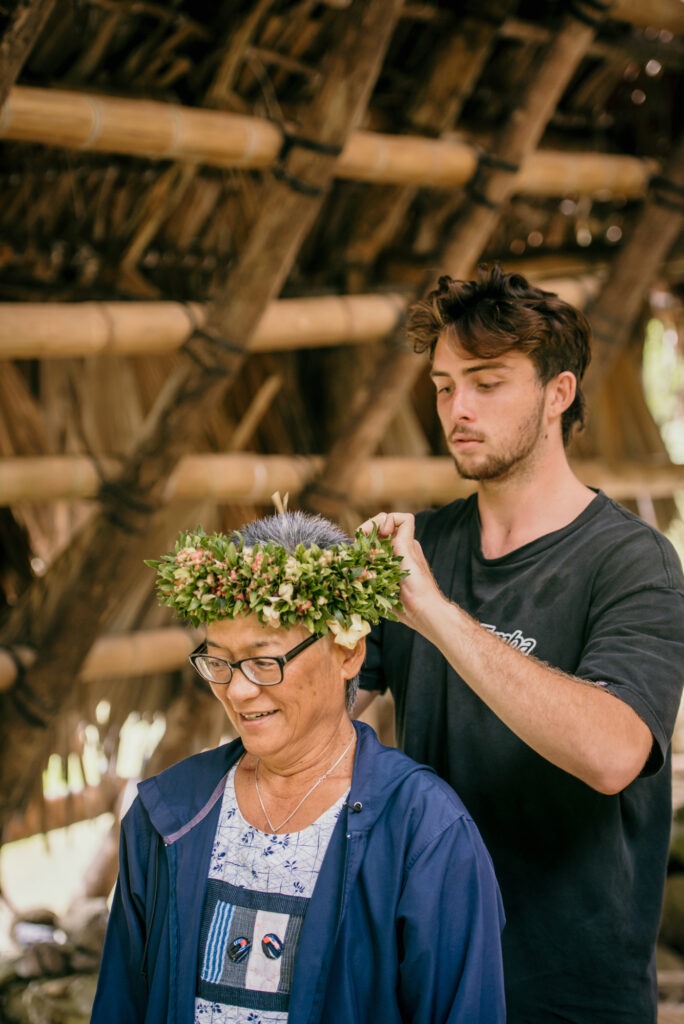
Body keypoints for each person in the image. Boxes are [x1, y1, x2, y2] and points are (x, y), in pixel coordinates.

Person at [357, 264, 684, 1024]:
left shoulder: (633, 562)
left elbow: (613, 755)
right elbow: (323, 718)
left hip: (571, 995)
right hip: (424, 974)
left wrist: (433, 612)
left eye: (487, 382)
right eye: (443, 386)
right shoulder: (422, 543)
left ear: (557, 393)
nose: (456, 408)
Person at [90, 510, 506, 1024]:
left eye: (265, 662)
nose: (238, 691)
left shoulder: (425, 834)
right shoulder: (167, 816)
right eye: (218, 661)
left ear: (348, 652)